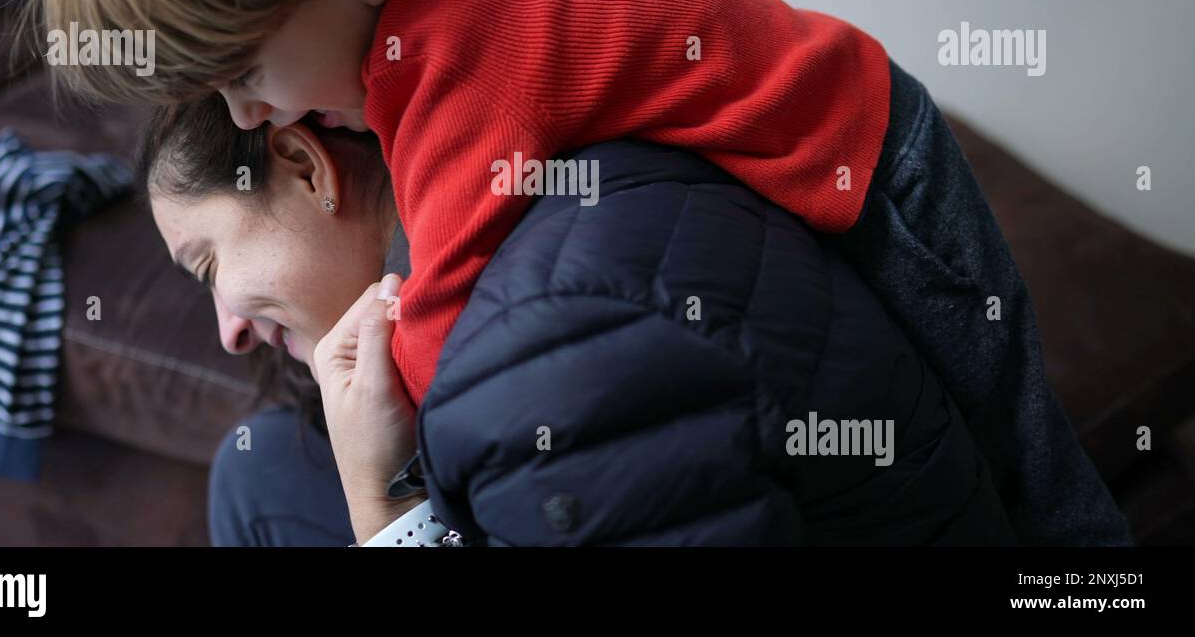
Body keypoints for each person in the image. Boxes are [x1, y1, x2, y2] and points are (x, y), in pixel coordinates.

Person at [36, 0, 1128, 544]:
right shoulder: (427, 14)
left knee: (1023, 455)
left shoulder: (464, 50)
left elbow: (447, 281)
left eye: (243, 71)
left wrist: (390, 433)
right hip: (846, 126)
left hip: (879, 154)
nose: (246, 111)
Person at [142, 94, 1020, 545]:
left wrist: (390, 506)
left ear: (303, 165)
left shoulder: (540, 361)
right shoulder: (485, 199)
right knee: (255, 471)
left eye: (211, 265)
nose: (229, 328)